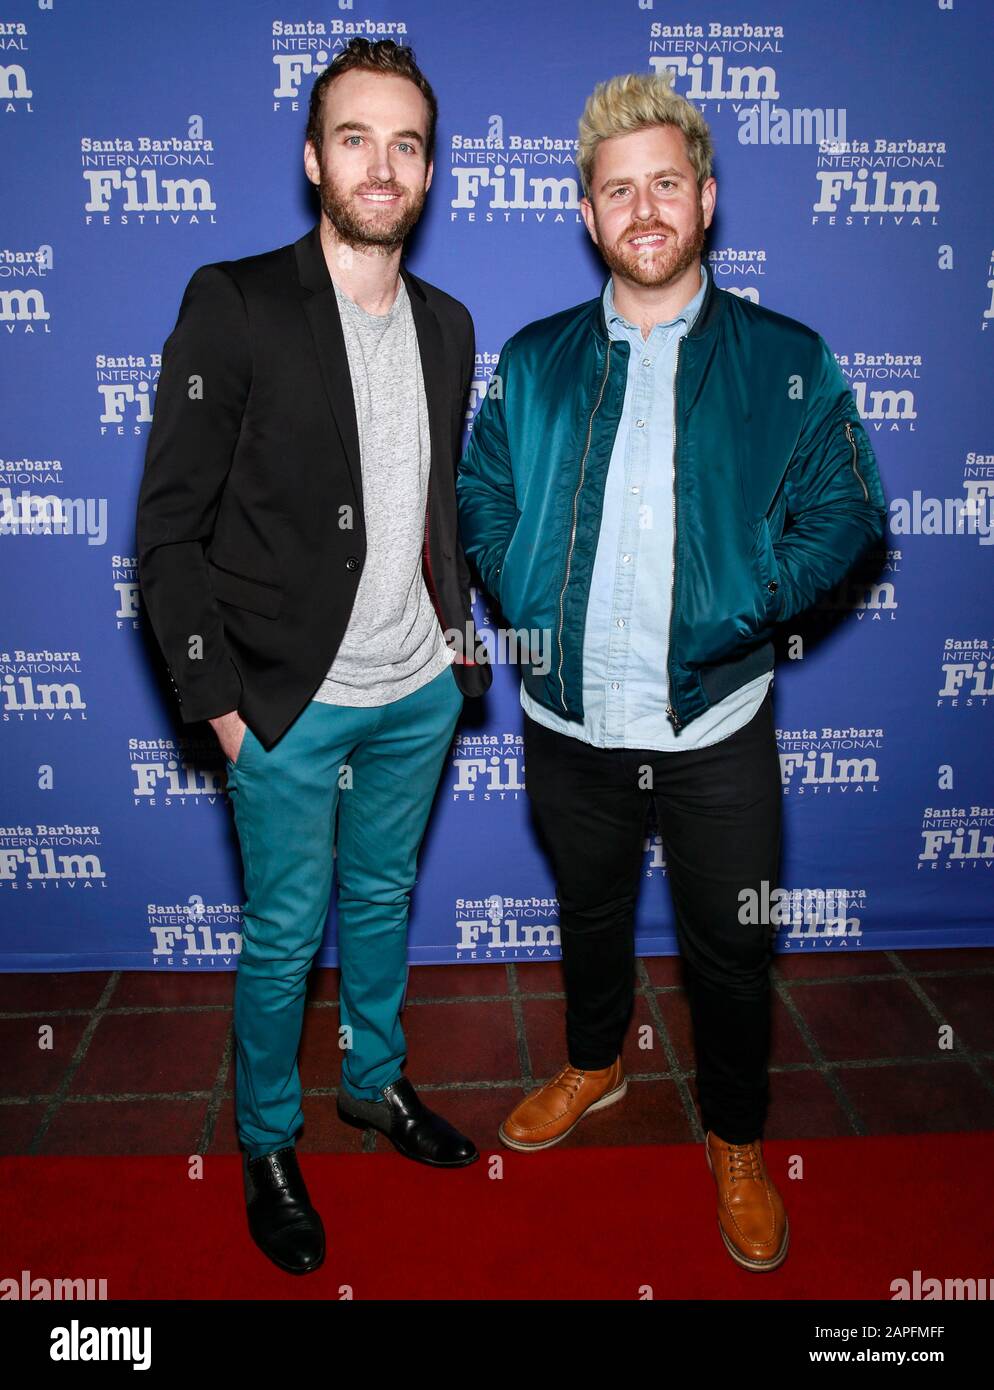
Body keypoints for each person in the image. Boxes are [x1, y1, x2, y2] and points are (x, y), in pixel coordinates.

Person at [457, 69, 887, 1273]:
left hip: (717, 723)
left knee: (731, 947)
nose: (641, 209)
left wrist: (731, 607)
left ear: (704, 198)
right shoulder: (537, 360)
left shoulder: (786, 358)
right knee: (589, 910)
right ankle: (596, 1062)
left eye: (664, 184)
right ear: (588, 217)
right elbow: (482, 490)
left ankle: (736, 1137)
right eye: (615, 191)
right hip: (569, 719)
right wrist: (525, 588)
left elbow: (847, 514)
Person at [136, 37, 491, 1276]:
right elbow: (166, 532)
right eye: (355, 137)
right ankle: (269, 1141)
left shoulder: (448, 325)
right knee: (285, 935)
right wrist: (221, 709)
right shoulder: (232, 301)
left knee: (384, 905)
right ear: (311, 157)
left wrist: (457, 660)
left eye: (404, 143)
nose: (380, 164)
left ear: (431, 170)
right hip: (284, 705)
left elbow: (439, 504)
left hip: (414, 693)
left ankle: (375, 1087)